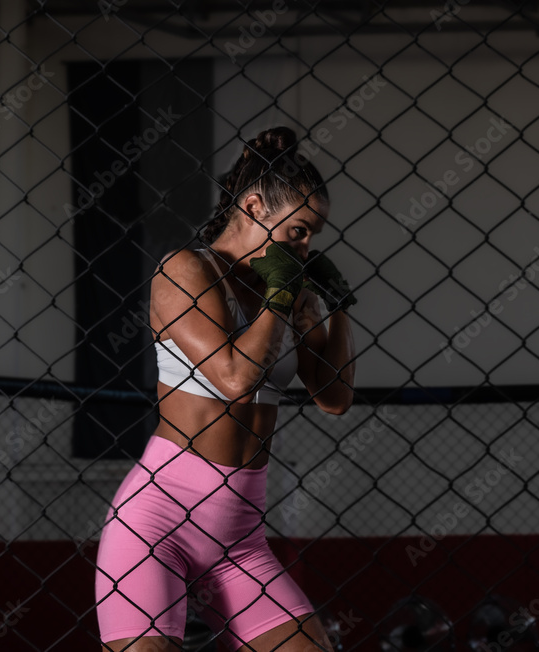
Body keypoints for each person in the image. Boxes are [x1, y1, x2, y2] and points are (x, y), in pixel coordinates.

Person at [95, 126, 357, 652]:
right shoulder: (187, 270)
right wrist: (282, 297)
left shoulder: (284, 286)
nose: (306, 248)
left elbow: (333, 398)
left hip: (240, 537)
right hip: (158, 519)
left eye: (313, 237)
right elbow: (236, 380)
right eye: (300, 232)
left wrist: (338, 310)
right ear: (256, 206)